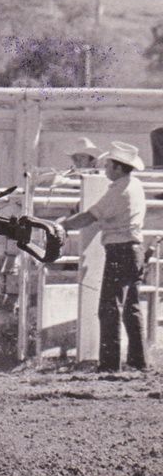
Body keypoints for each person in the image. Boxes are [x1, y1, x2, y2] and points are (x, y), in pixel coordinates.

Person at [59, 141, 149, 373]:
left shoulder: (119, 190)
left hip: (119, 250)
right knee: (132, 306)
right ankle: (139, 361)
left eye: (109, 165)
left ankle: (110, 365)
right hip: (134, 249)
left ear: (118, 168)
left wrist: (63, 226)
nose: (106, 168)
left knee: (109, 307)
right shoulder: (135, 185)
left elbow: (90, 216)